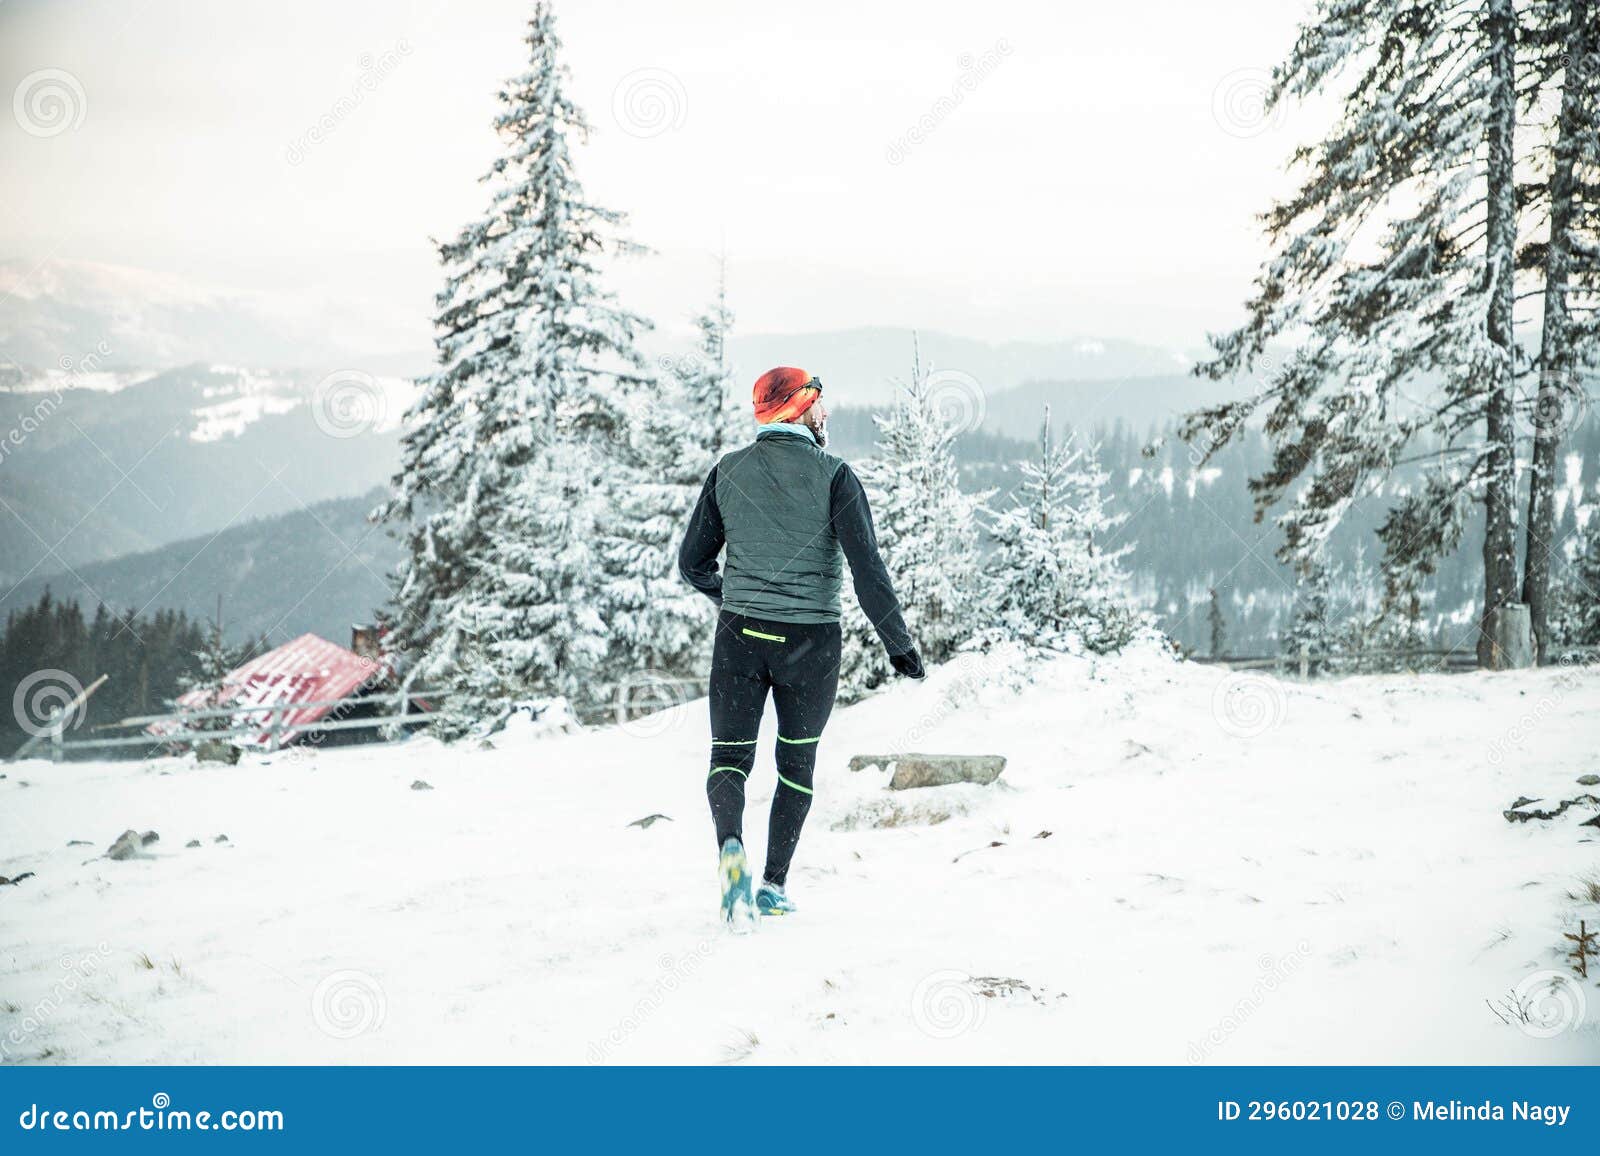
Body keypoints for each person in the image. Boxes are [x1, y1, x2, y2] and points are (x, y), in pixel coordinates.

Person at [678, 366, 925, 931]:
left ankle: (731, 853)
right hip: (810, 643)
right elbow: (869, 572)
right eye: (819, 403)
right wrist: (901, 648)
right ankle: (772, 886)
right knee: (796, 764)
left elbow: (692, 563)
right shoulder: (835, 475)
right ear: (799, 409)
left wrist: (734, 595)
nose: (826, 414)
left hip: (740, 636)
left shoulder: (727, 472)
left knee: (729, 758)